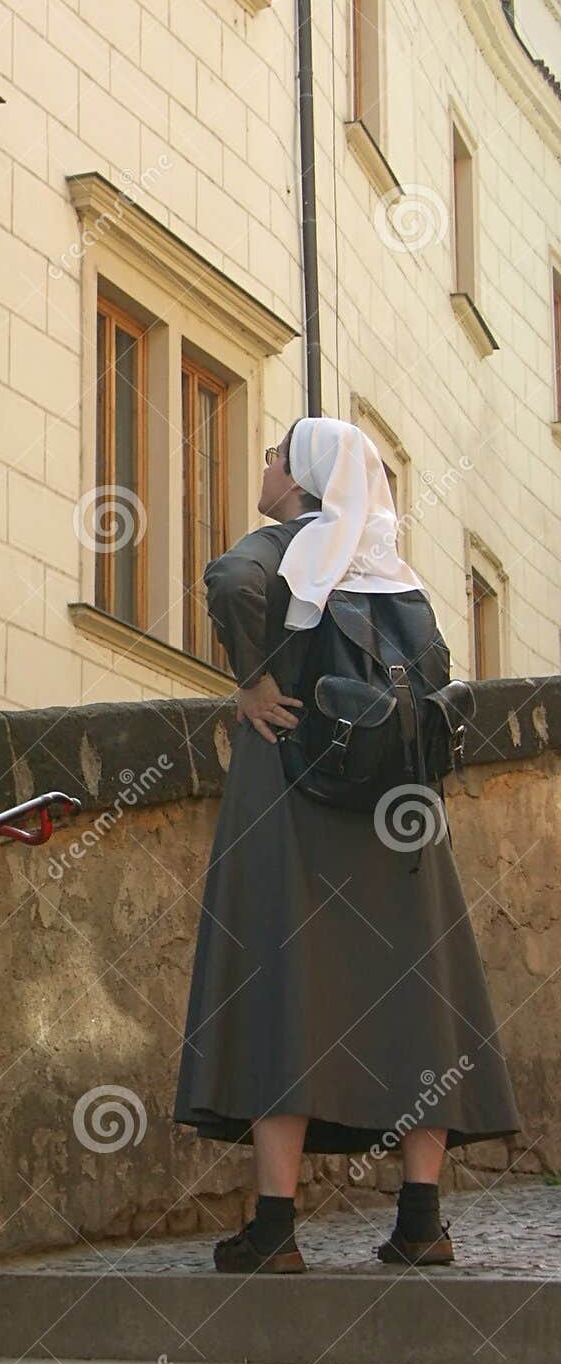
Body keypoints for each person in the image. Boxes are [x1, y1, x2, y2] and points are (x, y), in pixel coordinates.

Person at [171, 415, 523, 1273]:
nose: (263, 466)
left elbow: (227, 583)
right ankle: (421, 1223)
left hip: (293, 802)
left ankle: (276, 1228)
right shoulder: (396, 577)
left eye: (272, 455)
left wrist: (253, 682)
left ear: (301, 478)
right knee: (415, 999)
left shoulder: (287, 546)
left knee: (284, 993)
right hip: (399, 818)